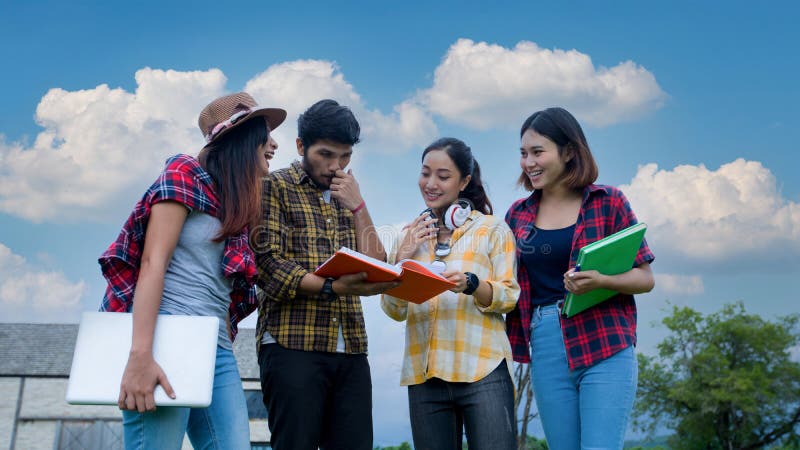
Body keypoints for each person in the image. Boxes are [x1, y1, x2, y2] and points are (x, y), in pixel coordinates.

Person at [98, 92, 285, 449]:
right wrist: (140, 356)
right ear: (240, 137)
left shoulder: (235, 199)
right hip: (165, 337)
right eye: (265, 132)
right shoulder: (184, 172)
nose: (273, 143)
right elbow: (153, 263)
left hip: (213, 344)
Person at [505, 107, 655, 449]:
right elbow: (506, 283)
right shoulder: (517, 214)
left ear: (569, 151)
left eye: (538, 152)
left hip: (605, 340)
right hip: (545, 343)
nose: (529, 162)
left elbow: (646, 278)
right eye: (524, 154)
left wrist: (602, 279)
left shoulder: (609, 201)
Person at [253, 99, 397, 450]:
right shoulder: (274, 187)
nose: (336, 166)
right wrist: (332, 287)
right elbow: (268, 264)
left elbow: (378, 264)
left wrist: (359, 206)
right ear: (301, 146)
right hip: (292, 344)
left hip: (351, 347)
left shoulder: (348, 195)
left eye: (345, 156)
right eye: (326, 154)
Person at [381, 137, 520, 450]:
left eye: (443, 177)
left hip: (481, 371)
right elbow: (393, 309)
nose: (431, 183)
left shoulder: (492, 229)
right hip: (424, 377)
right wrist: (401, 256)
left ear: (464, 182)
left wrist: (472, 284)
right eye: (425, 173)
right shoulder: (409, 234)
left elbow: (509, 296)